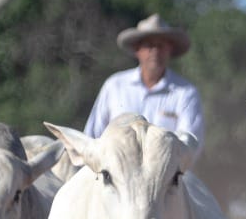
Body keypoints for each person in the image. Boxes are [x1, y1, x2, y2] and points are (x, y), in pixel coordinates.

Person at [83, 14, 204, 149]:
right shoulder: (115, 85)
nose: (155, 51)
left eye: (161, 46)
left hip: (167, 169)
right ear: (137, 49)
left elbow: (190, 144)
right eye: (149, 45)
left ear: (170, 49)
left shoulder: (185, 92)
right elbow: (92, 137)